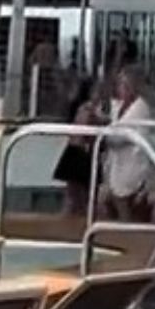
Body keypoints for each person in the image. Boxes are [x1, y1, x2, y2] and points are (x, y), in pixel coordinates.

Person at [97, 65, 155, 222]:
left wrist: (105, 126)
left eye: (123, 83)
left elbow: (118, 136)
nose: (119, 87)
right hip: (117, 165)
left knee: (124, 187)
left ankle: (131, 231)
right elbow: (105, 109)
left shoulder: (140, 108)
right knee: (104, 194)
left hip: (136, 166)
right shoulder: (118, 106)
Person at [52, 74, 101, 216]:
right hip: (80, 153)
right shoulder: (88, 109)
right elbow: (86, 130)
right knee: (79, 195)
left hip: (74, 151)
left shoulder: (81, 108)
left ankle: (68, 218)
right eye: (97, 90)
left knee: (74, 194)